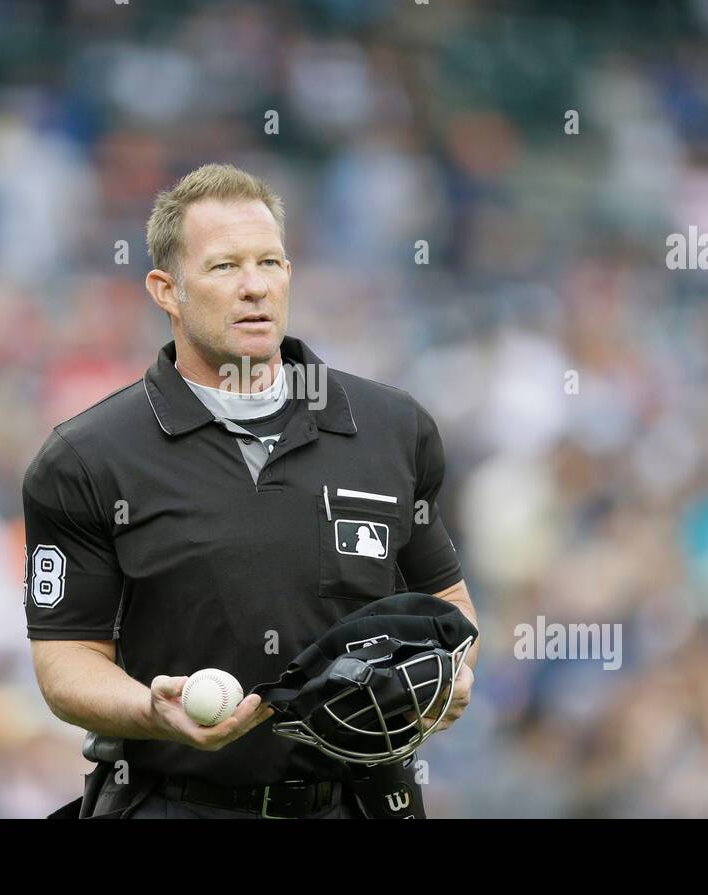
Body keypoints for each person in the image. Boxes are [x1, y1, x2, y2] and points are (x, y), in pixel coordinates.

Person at [23, 162, 479, 818]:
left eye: (270, 262)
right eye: (224, 267)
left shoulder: (391, 428)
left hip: (360, 807)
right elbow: (67, 661)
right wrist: (150, 710)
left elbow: (449, 605)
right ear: (166, 290)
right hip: (177, 804)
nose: (254, 287)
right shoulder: (89, 457)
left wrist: (452, 676)